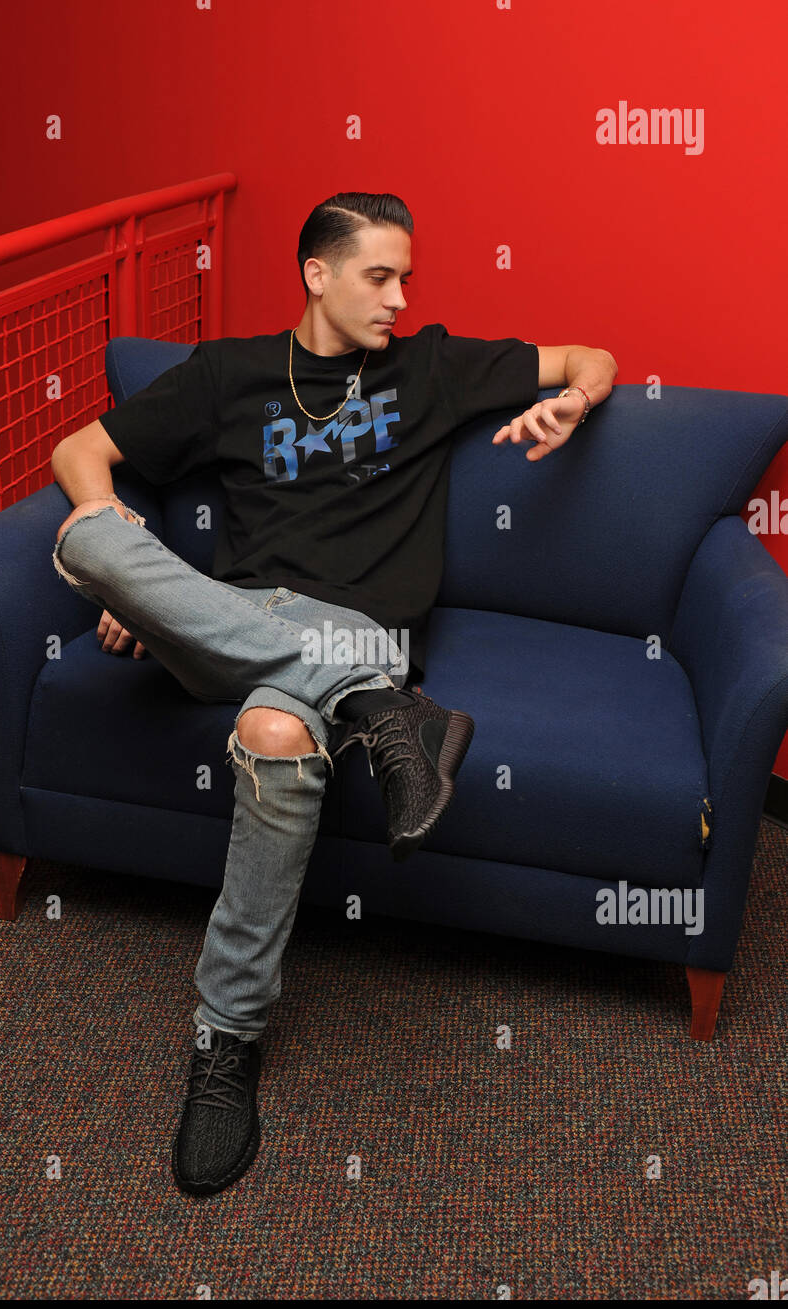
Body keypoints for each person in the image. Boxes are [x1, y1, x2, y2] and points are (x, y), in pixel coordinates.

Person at [49, 190, 618, 1199]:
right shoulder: (227, 373)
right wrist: (135, 549)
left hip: (365, 626)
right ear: (316, 273)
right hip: (243, 615)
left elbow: (586, 357)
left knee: (273, 733)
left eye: (406, 278)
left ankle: (225, 1043)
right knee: (86, 538)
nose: (399, 297)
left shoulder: (429, 366)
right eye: (378, 275)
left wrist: (573, 399)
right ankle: (383, 712)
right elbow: (79, 452)